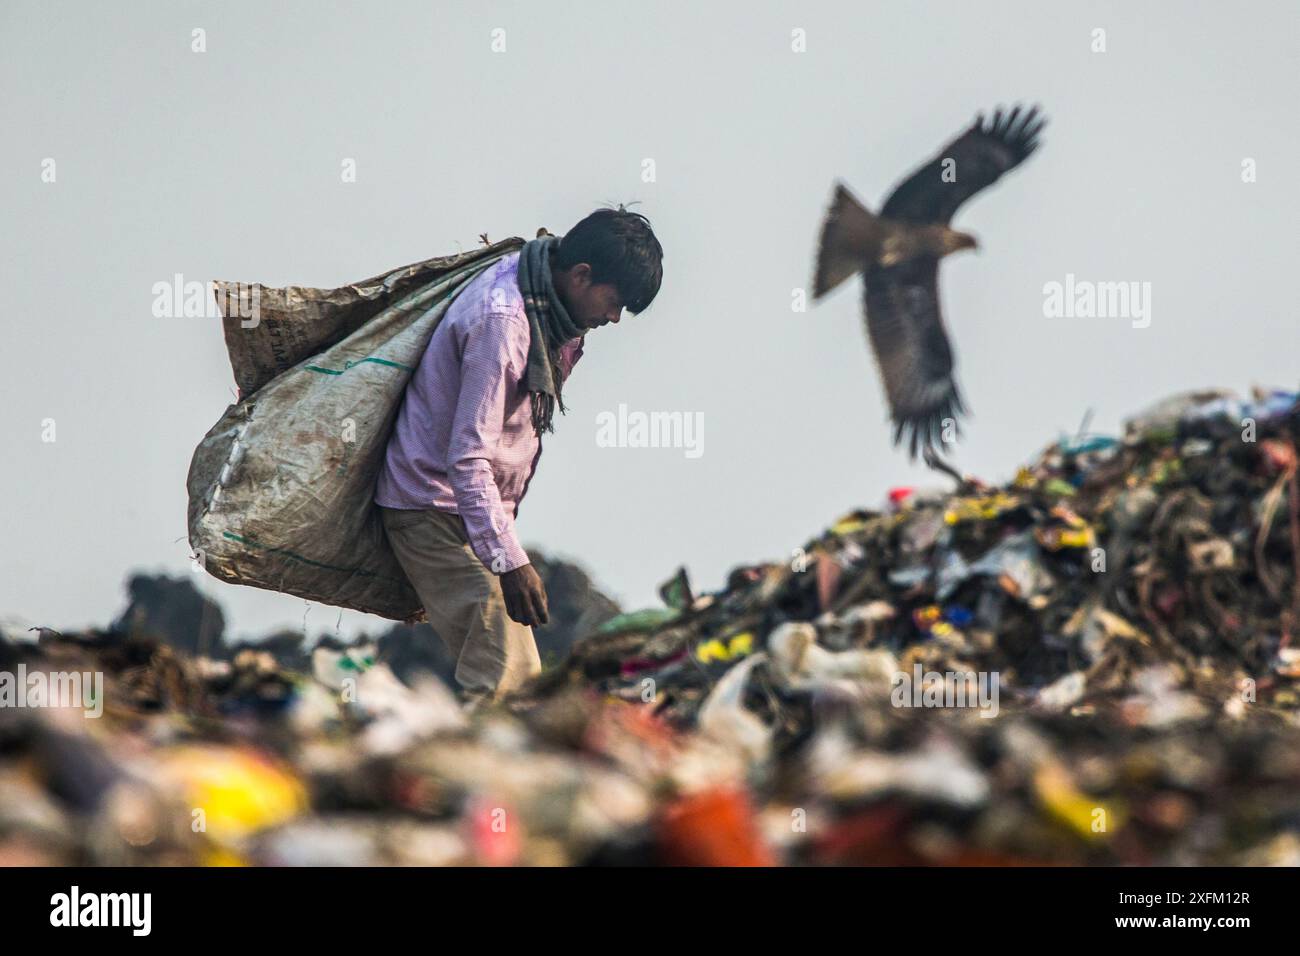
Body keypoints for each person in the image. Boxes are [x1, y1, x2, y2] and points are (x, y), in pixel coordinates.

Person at [375, 209, 664, 703]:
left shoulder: (549, 309)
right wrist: (511, 563)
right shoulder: (503, 324)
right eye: (613, 303)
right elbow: (468, 457)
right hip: (431, 506)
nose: (613, 319)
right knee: (507, 681)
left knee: (519, 681)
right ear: (581, 275)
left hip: (467, 513)